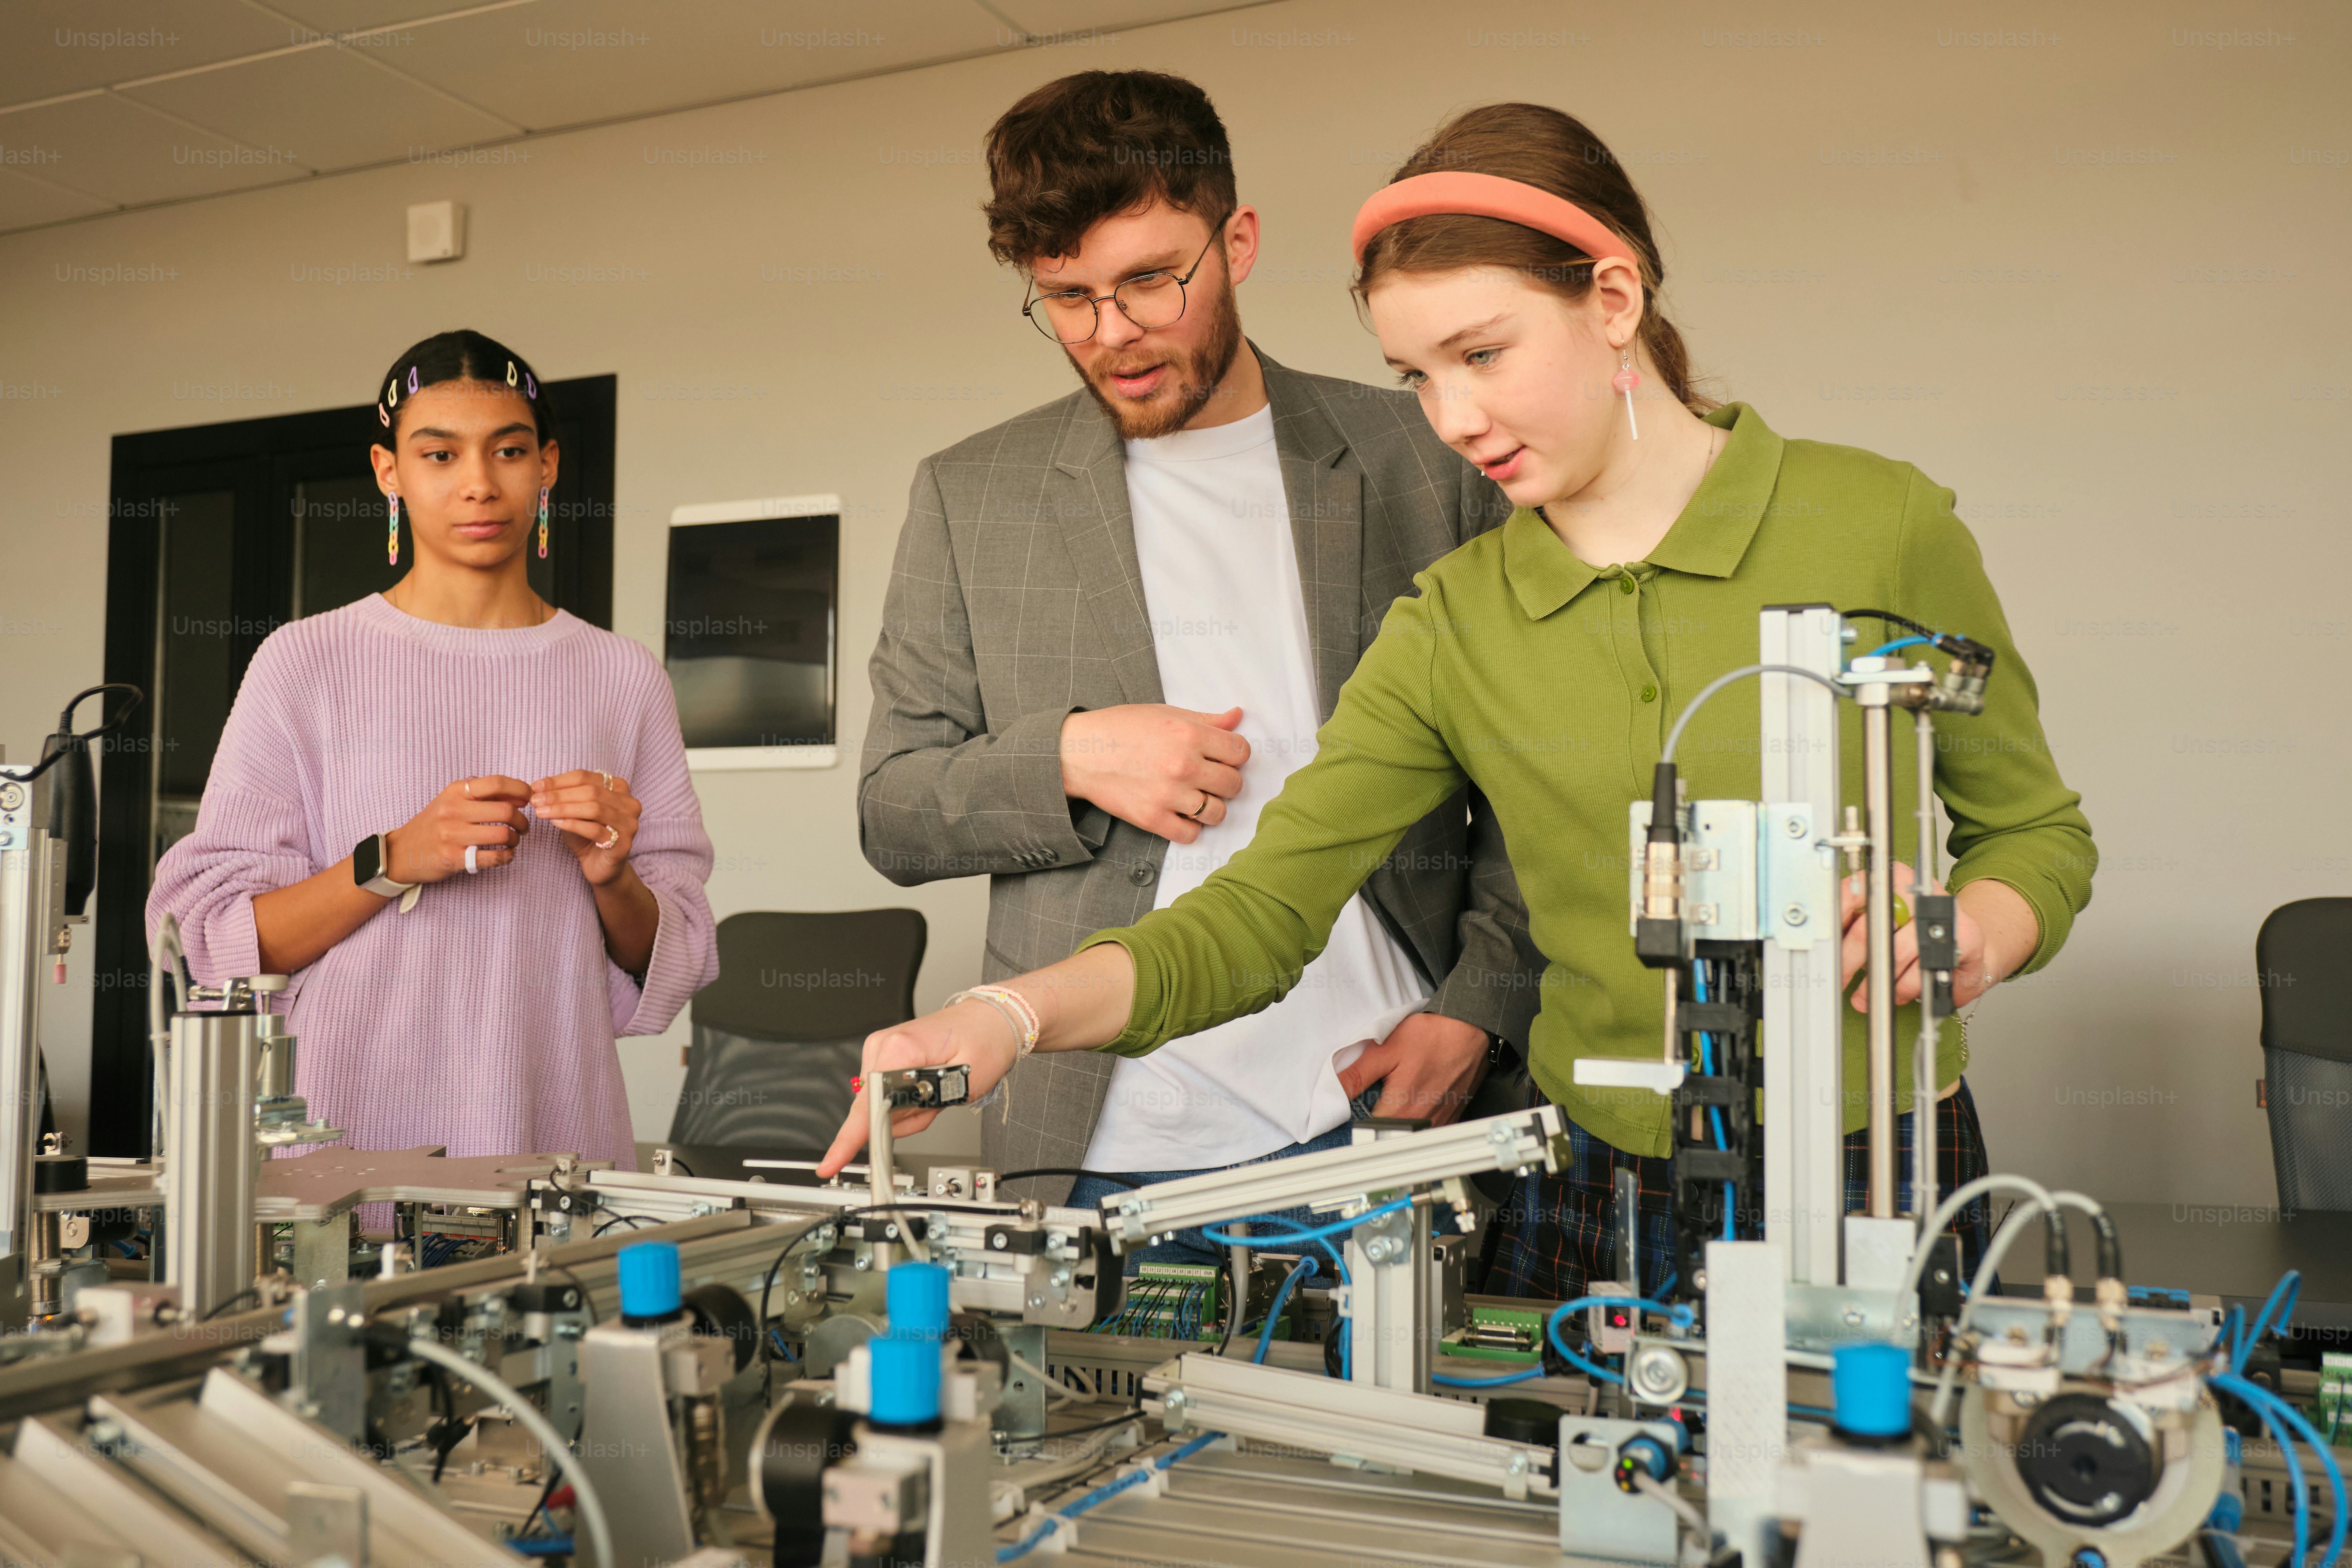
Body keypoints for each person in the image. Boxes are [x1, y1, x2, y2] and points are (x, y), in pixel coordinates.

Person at [825, 104, 2096, 1301]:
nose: (1454, 419)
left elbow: (2037, 834)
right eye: (1418, 374)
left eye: (1482, 354)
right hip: (1594, 1182)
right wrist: (1008, 1010)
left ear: (1612, 298)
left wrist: (1976, 926)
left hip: (1883, 1163)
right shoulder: (1456, 617)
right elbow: (1261, 912)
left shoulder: (1881, 521)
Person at [858, 70, 1542, 1260]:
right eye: (1065, 297)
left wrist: (1475, 1008)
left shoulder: (1426, 454)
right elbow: (896, 809)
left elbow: (1539, 776)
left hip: (1379, 1107)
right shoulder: (970, 494)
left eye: (1147, 280)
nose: (1109, 333)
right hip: (1088, 1141)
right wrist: (1071, 753)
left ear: (1239, 240)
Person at [146, 329, 718, 1178]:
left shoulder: (621, 675)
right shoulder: (306, 662)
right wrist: (394, 859)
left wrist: (612, 877)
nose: (480, 484)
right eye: (440, 455)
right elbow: (215, 939)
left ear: (548, 465)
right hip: (343, 1139)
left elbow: (677, 953)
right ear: (390, 473)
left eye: (510, 451)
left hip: (553, 1126)